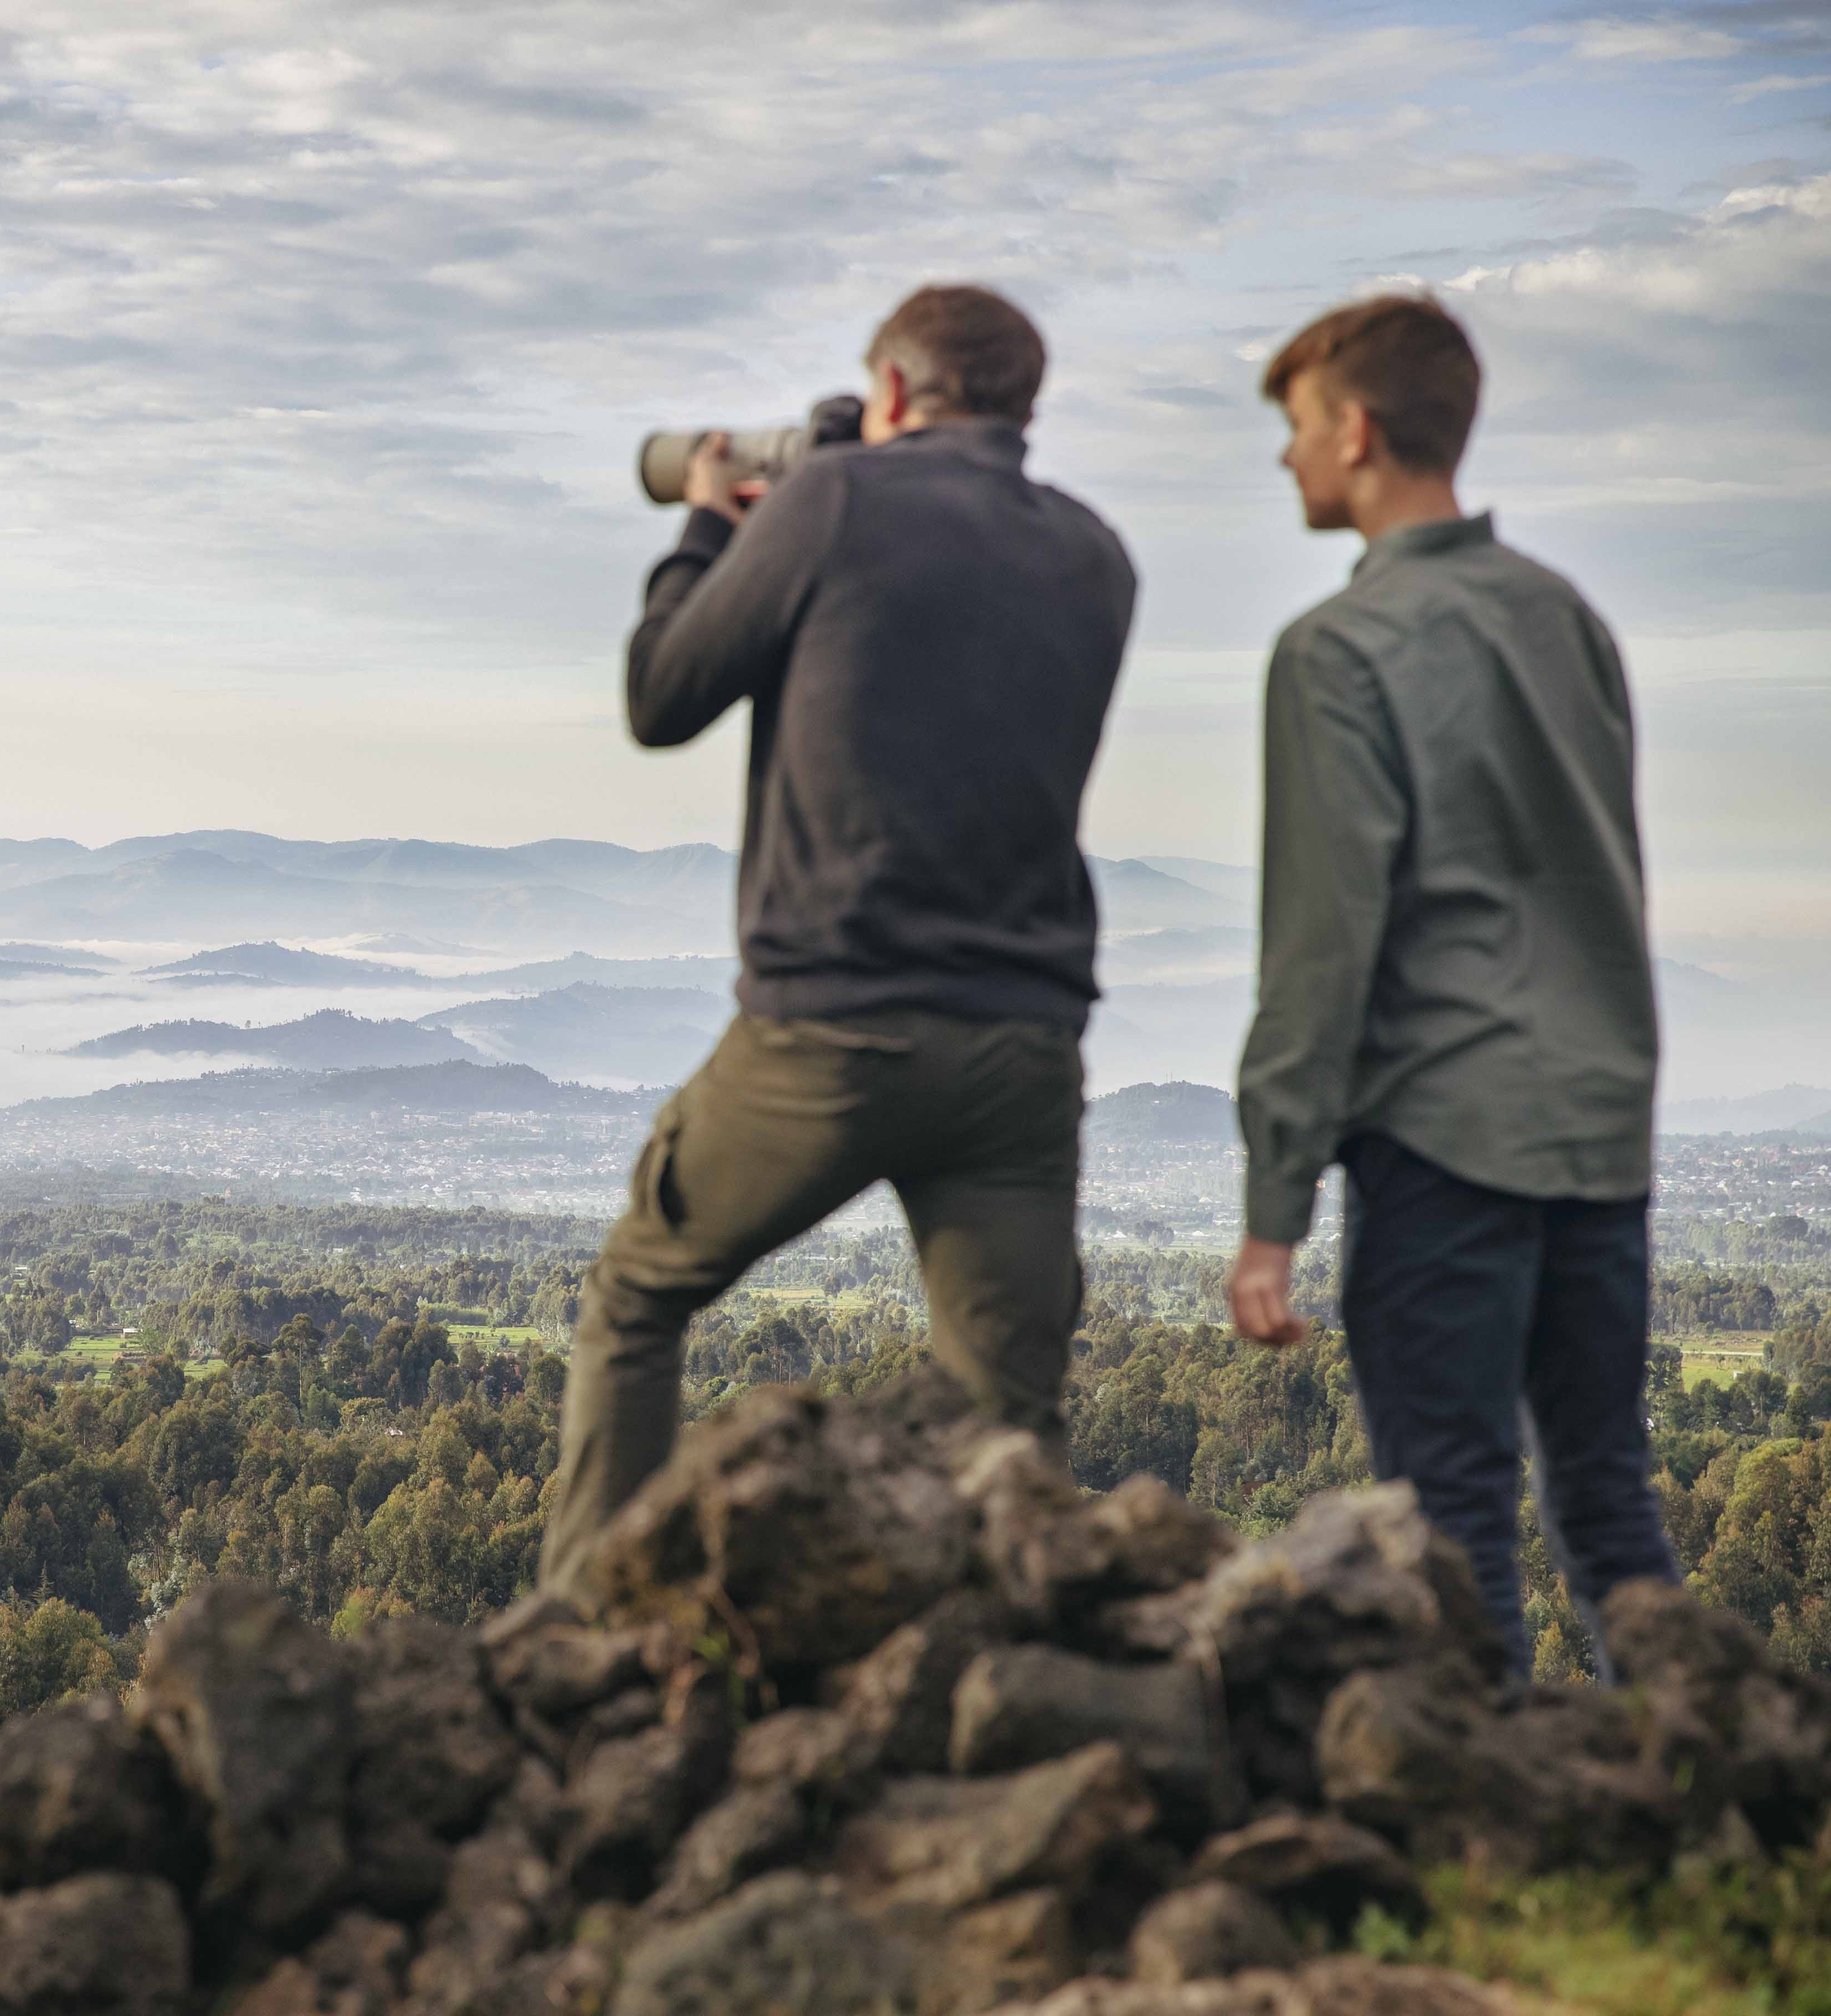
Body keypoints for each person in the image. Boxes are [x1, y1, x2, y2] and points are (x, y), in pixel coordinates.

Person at [539, 284, 1138, 1586]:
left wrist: (708, 517)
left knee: (636, 1304)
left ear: (898, 394)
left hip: (832, 1025)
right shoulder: (1096, 555)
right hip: (1023, 1046)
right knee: (1008, 1408)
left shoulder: (833, 504)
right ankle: (993, 1684)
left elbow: (661, 694)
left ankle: (575, 1642)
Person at [1227, 294, 1681, 1680]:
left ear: (1357, 433)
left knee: (1451, 1521)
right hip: (1599, 1133)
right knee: (1608, 1503)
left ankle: (1483, 1852)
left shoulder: (1338, 652)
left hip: (1445, 1142)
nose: (1289, 459)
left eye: (1298, 428)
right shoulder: (1566, 617)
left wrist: (1273, 1209)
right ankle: (1723, 1817)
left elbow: (1323, 947)